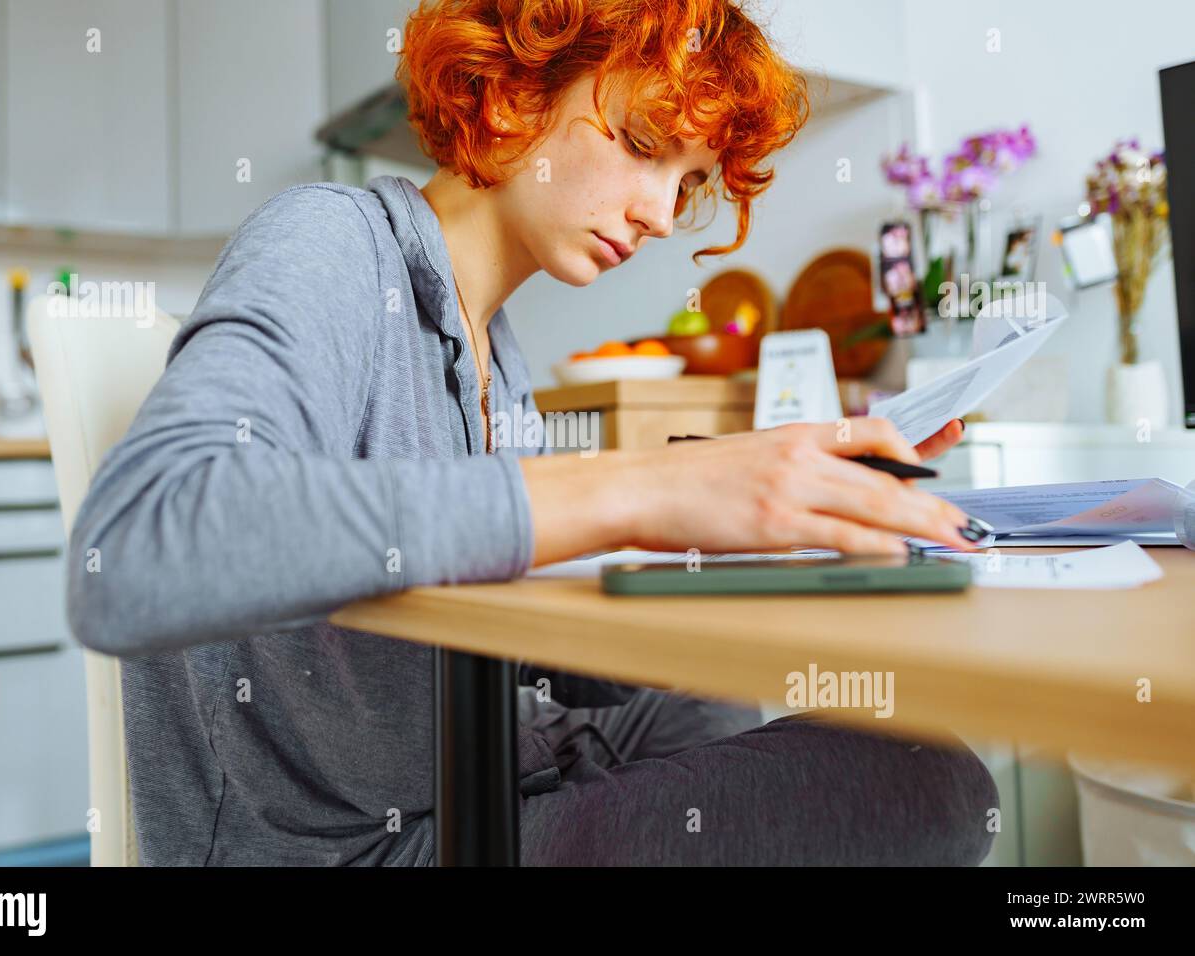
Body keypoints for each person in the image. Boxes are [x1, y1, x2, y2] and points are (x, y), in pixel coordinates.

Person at [67, 0, 996, 866]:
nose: (662, 216)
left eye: (689, 183)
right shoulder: (329, 240)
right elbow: (145, 537)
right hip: (349, 842)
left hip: (475, 762)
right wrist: (636, 489)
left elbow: (506, 637)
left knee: (704, 699)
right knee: (934, 781)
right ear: (517, 85)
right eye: (640, 144)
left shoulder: (496, 348)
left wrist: (742, 532)